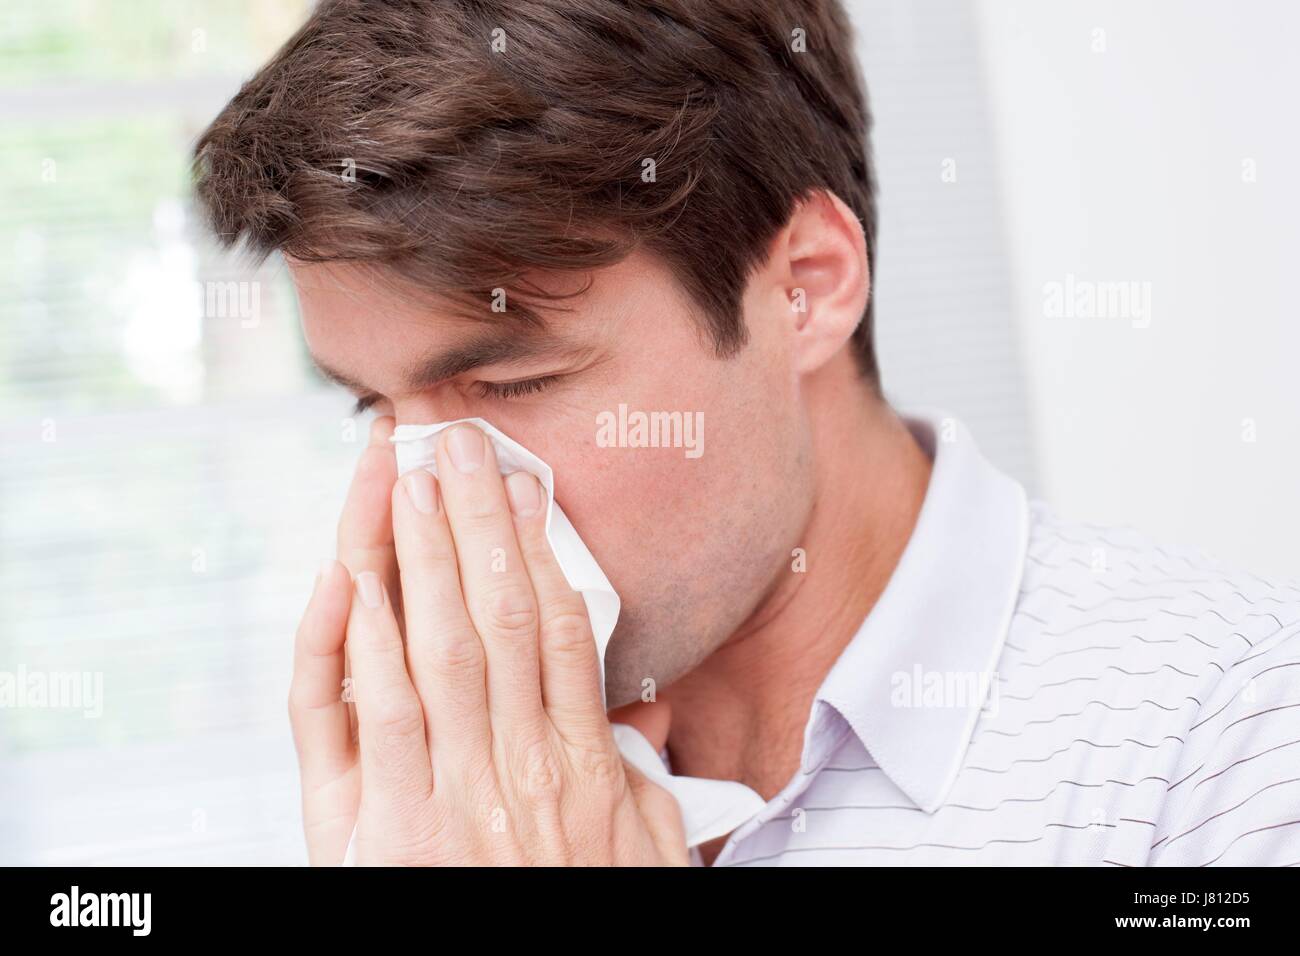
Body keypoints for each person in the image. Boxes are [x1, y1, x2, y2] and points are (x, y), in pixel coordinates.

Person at [193, 0, 1300, 866]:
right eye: (371, 408)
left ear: (804, 289)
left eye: (514, 381)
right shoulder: (413, 795)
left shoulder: (1221, 756)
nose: (420, 506)